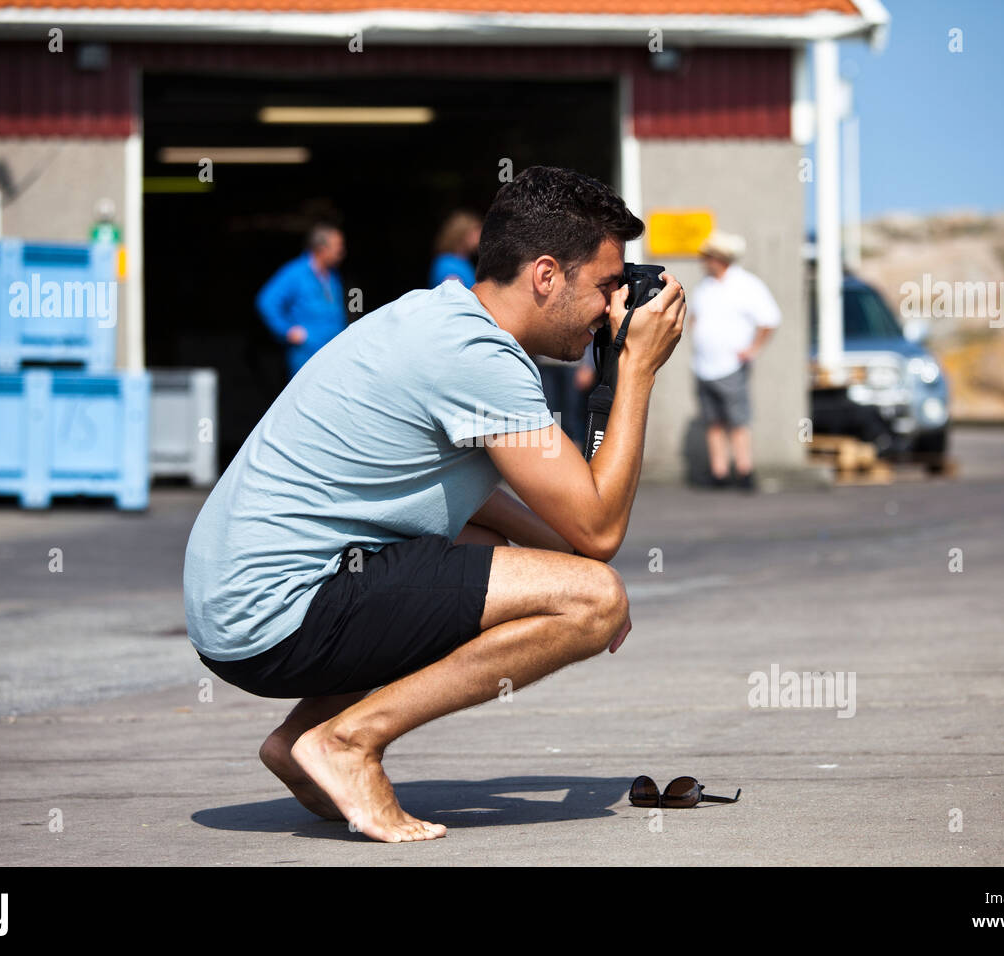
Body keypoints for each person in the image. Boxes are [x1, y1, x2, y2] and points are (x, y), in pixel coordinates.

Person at [184, 166, 685, 843]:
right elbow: (597, 528)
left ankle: (300, 741)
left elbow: (506, 515)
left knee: (510, 561)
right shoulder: (476, 358)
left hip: (241, 606)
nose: (612, 307)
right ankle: (349, 742)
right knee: (594, 599)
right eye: (603, 286)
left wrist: (559, 571)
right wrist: (637, 371)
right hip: (273, 615)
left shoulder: (441, 318)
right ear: (545, 276)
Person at [687, 231, 781, 491]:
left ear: (721, 258)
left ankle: (744, 470)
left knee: (737, 420)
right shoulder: (704, 286)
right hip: (704, 365)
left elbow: (770, 319)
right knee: (713, 421)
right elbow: (696, 316)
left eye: (708, 256)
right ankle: (719, 472)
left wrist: (753, 349)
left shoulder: (746, 284)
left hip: (731, 367)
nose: (704, 261)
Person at [255, 224, 348, 380]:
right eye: (337, 247)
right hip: (307, 352)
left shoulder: (332, 274)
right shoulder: (295, 272)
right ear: (322, 249)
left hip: (333, 350)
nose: (341, 252)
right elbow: (267, 302)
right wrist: (286, 330)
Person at [428, 210, 481, 288]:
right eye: (475, 232)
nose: (479, 238)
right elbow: (453, 297)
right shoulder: (448, 264)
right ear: (462, 233)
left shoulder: (463, 262)